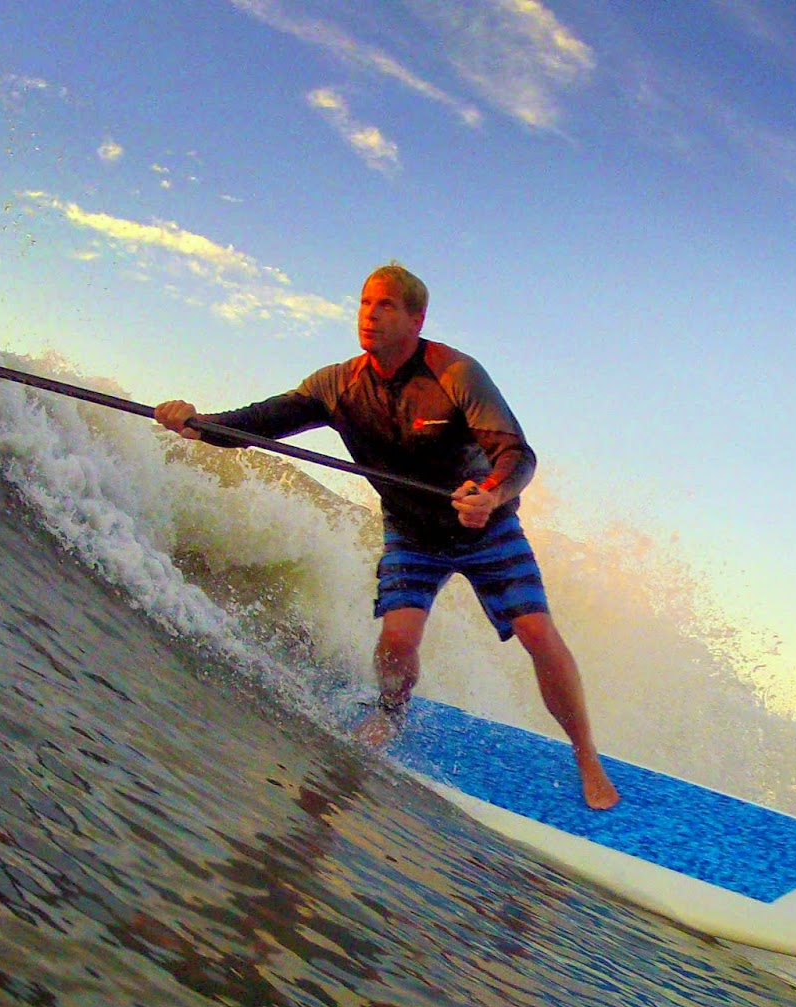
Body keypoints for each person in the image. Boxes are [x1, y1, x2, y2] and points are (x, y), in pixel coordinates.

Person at [155, 264, 619, 810]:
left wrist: (490, 494)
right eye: (364, 304)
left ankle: (586, 754)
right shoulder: (337, 385)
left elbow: (517, 455)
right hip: (412, 532)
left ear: (416, 318)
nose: (370, 316)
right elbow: (256, 423)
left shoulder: (455, 373)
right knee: (397, 641)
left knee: (537, 631)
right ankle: (391, 712)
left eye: (385, 307)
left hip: (485, 526)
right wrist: (194, 420)